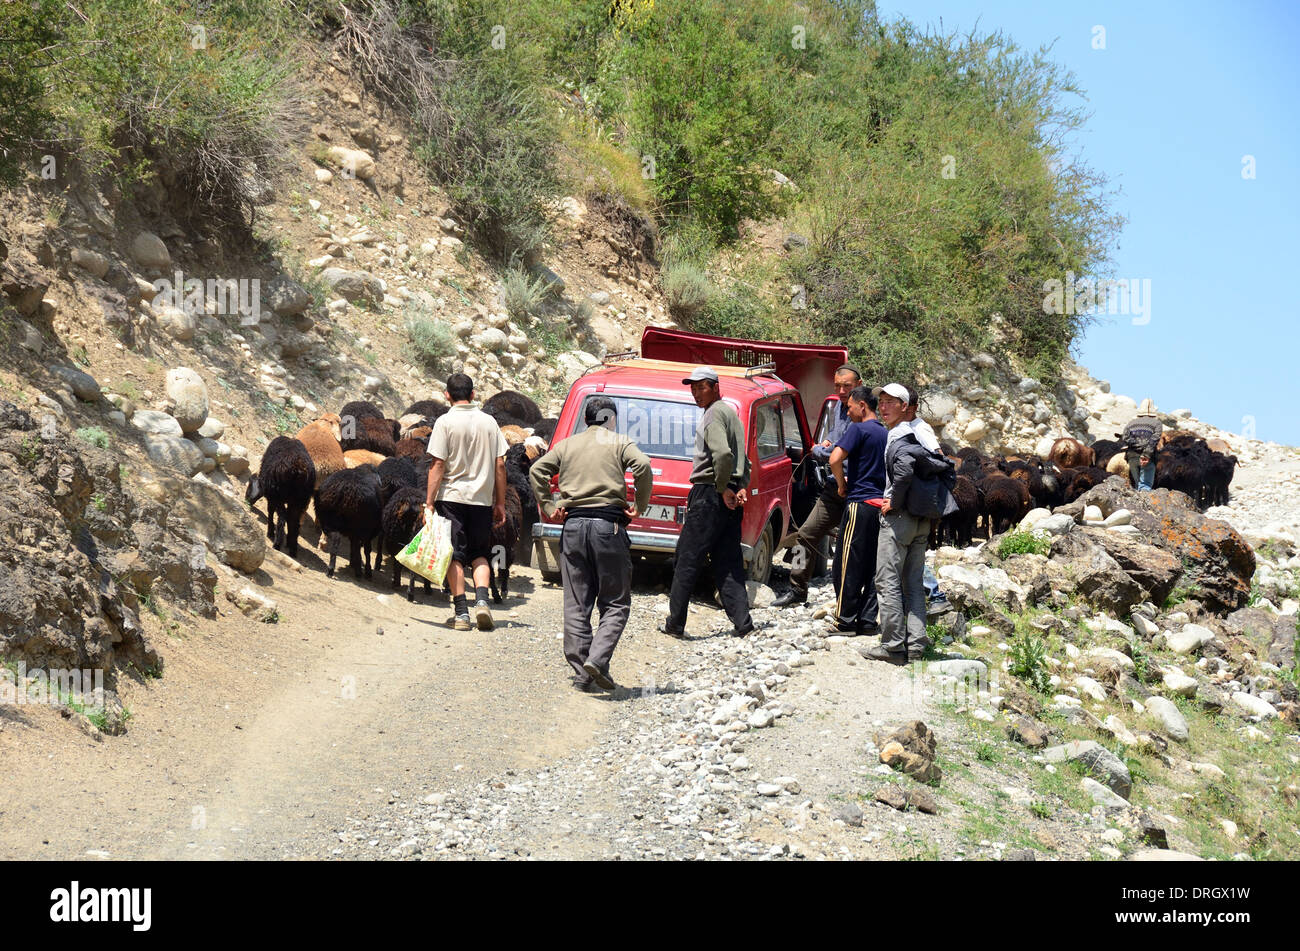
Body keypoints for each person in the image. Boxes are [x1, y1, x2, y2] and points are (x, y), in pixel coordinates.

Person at [528, 396, 653, 693]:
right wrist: (640, 504)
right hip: (608, 528)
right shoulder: (620, 442)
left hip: (572, 527)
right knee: (615, 603)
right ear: (611, 419)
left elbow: (537, 471)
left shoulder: (567, 445)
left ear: (586, 419)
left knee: (576, 603)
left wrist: (549, 504)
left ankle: (584, 670)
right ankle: (596, 660)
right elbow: (644, 466)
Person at [662, 366, 754, 639]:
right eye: (693, 387)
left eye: (701, 387)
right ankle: (743, 624)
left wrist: (723, 486)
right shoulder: (730, 413)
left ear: (715, 386)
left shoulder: (713, 414)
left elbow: (723, 455)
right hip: (728, 496)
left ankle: (675, 624)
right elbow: (743, 459)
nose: (696, 393)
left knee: (687, 560)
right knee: (728, 562)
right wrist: (740, 486)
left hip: (709, 493)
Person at [860, 383, 941, 665]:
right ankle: (916, 645)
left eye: (891, 402)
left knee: (887, 580)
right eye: (881, 402)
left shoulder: (899, 433)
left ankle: (893, 646)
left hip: (899, 519)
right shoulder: (925, 430)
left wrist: (893, 501)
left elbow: (904, 470)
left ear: (905, 406)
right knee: (914, 583)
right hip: (922, 518)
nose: (883, 407)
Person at [774, 365, 862, 608]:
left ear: (859, 385)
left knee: (851, 548)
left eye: (847, 386)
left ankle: (849, 601)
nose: (842, 391)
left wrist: (820, 450)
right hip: (834, 488)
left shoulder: (862, 415)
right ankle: (797, 589)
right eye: (837, 386)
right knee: (805, 536)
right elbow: (833, 440)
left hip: (856, 491)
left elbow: (838, 453)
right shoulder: (840, 410)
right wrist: (826, 444)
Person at [424, 372, 507, 631]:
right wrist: (500, 503)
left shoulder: (444, 422)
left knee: (455, 556)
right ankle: (482, 602)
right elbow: (501, 464)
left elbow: (437, 464)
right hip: (481, 500)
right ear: (473, 395)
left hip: (451, 498)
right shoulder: (489, 423)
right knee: (480, 554)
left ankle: (461, 614)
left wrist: (428, 503)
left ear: (447, 395)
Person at [826, 385, 888, 634]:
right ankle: (867, 620)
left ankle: (845, 620)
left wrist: (842, 484)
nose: (848, 412)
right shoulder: (885, 433)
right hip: (881, 508)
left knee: (846, 564)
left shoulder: (858, 429)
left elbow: (834, 458)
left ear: (862, 406)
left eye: (850, 407)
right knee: (873, 566)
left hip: (859, 504)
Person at [1122, 398, 1162, 489]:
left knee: (1136, 484)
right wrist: (1146, 454)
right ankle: (1144, 502)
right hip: (1147, 458)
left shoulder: (1131, 423)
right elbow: (1154, 440)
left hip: (1132, 457)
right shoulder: (1157, 423)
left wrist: (1137, 446)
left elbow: (1125, 437)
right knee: (1145, 485)